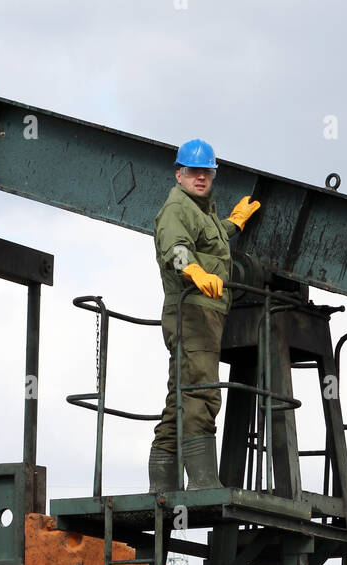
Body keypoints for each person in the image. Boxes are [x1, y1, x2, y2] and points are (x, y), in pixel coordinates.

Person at [148, 138, 260, 492]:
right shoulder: (176, 208)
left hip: (205, 313)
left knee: (180, 397)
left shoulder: (201, 211)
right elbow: (176, 248)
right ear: (179, 174)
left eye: (207, 173)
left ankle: (163, 485)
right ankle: (202, 483)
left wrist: (233, 224)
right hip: (192, 311)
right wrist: (194, 272)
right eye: (194, 172)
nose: (201, 178)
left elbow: (208, 241)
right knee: (202, 392)